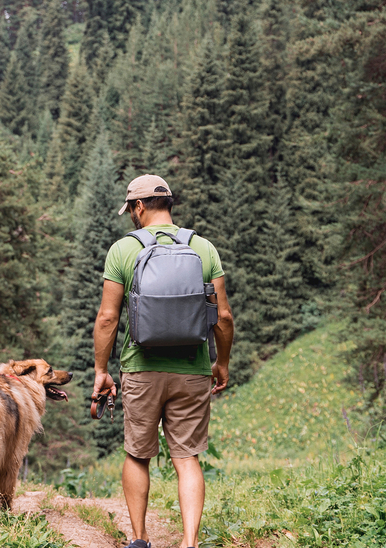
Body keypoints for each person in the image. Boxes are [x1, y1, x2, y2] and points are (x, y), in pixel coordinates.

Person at [92, 174, 235, 548]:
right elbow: (223, 317)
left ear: (138, 207)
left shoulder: (124, 249)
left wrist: (101, 370)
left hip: (142, 369)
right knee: (187, 458)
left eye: (131, 209)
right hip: (192, 370)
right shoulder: (203, 248)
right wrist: (221, 363)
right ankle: (189, 542)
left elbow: (107, 318)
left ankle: (140, 538)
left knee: (137, 455)